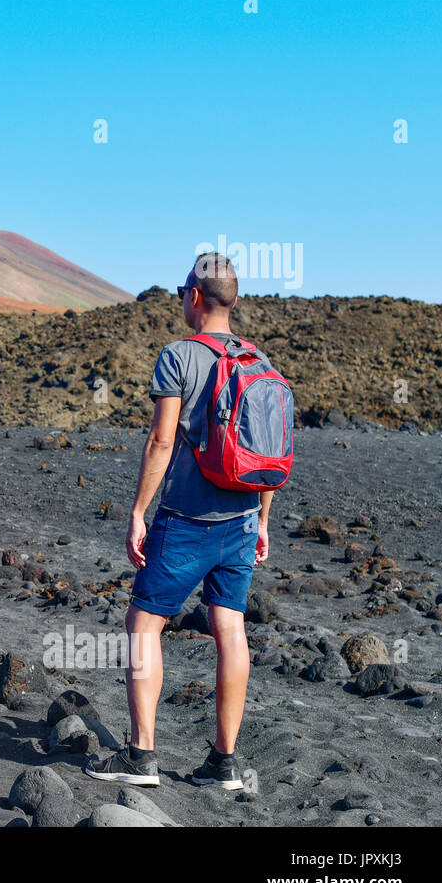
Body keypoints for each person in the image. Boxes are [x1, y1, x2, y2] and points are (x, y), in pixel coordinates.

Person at [84, 252, 273, 789]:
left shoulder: (178, 357)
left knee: (144, 625)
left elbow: (162, 440)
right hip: (240, 520)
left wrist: (138, 512)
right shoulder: (259, 361)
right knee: (230, 629)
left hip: (187, 520)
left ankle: (142, 758)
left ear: (194, 296)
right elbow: (268, 455)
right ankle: (224, 765)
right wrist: (262, 520)